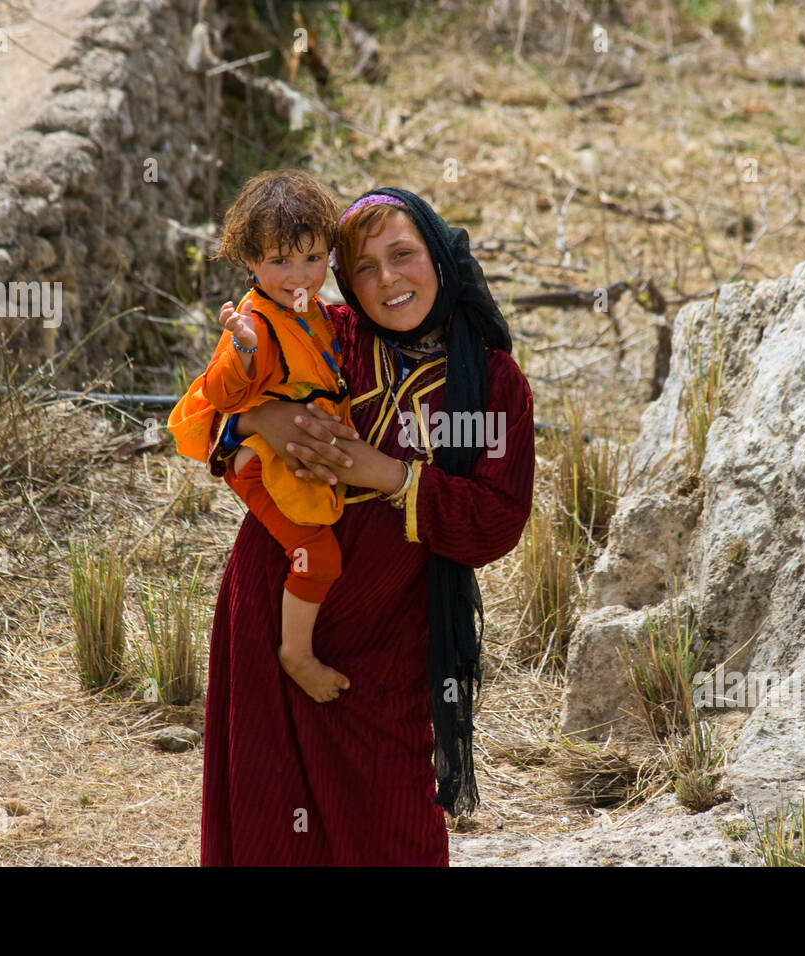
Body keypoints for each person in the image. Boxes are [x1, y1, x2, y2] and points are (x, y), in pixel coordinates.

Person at [200, 186, 535, 865]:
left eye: (403, 255)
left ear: (438, 257)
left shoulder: (493, 385)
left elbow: (497, 521)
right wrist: (257, 420)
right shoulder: (327, 340)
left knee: (392, 825)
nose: (388, 280)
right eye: (364, 268)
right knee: (270, 819)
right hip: (271, 611)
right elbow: (210, 415)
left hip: (389, 644)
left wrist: (390, 474)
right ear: (344, 283)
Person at [169, 169, 354, 703]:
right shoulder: (257, 322)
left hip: (289, 451)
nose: (299, 275)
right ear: (249, 260)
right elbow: (225, 395)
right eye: (280, 261)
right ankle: (295, 653)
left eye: (313, 258)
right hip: (256, 460)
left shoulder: (315, 312)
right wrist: (244, 348)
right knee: (316, 557)